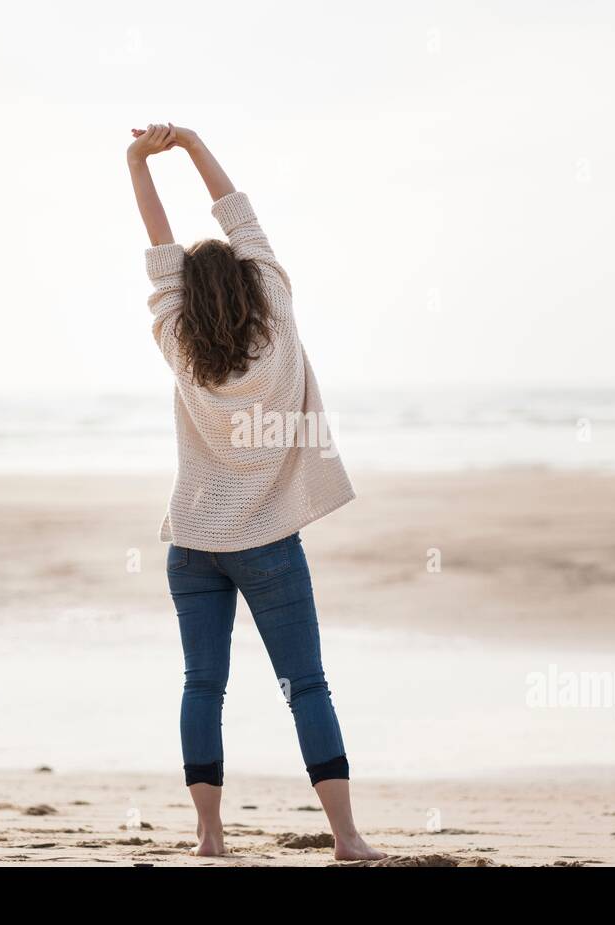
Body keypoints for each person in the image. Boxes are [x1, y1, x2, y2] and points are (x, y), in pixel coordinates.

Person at [127, 123, 383, 861]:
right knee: (306, 684)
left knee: (202, 684)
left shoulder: (174, 335)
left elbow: (159, 243)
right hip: (267, 542)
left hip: (193, 544)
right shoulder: (274, 303)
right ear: (248, 280)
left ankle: (209, 835)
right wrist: (194, 144)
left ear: (185, 293)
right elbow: (236, 212)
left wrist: (137, 161)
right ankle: (346, 836)